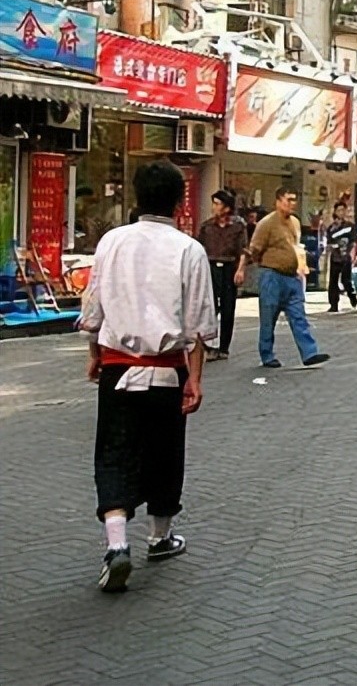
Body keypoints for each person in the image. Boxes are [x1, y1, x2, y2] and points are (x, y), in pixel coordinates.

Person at [80, 160, 217, 593]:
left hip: (117, 367)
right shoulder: (188, 249)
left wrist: (94, 356)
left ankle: (117, 546)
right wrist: (195, 379)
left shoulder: (110, 242)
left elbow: (93, 309)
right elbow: (200, 325)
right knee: (165, 452)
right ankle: (160, 537)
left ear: (136, 198)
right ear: (180, 202)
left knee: (115, 453)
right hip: (166, 372)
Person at [245, 187, 330, 369]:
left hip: (292, 277)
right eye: (288, 199)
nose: (292, 203)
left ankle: (309, 352)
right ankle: (267, 355)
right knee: (268, 318)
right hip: (272, 275)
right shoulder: (266, 223)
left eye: (294, 200)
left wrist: (301, 265)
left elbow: (296, 246)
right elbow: (254, 250)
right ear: (278, 201)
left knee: (298, 315)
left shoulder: (295, 222)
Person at [195, 189, 248, 361]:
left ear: (227, 208)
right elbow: (198, 249)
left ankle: (224, 347)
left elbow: (243, 250)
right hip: (210, 266)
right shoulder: (207, 226)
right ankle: (204, 344)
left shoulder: (238, 226)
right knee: (209, 307)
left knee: (228, 308)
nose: (214, 207)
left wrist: (240, 270)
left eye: (218, 204)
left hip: (228, 267)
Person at [324, 202, 357, 313]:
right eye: (339, 210)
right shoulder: (331, 228)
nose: (341, 213)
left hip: (346, 257)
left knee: (346, 281)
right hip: (335, 257)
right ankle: (333, 305)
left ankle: (352, 296)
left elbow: (353, 242)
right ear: (335, 212)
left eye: (343, 210)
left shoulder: (350, 226)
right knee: (333, 282)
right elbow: (328, 243)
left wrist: (352, 255)